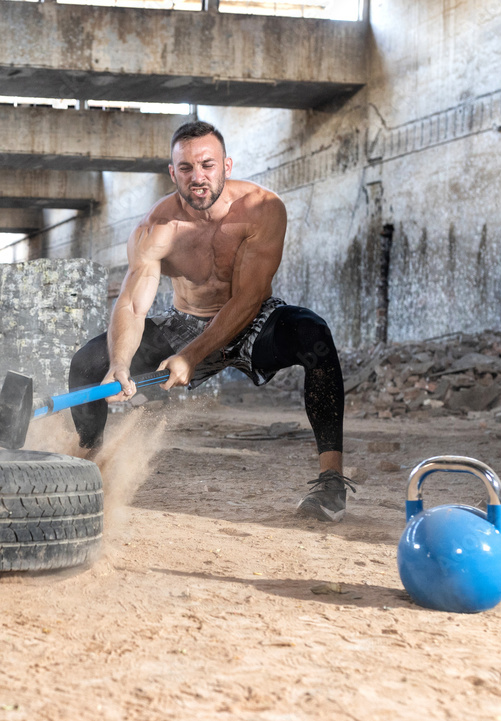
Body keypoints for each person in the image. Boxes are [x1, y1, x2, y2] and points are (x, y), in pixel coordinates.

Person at [68, 121, 353, 522]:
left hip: (252, 319)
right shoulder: (157, 229)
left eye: (207, 165)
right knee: (87, 363)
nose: (197, 177)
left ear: (226, 165)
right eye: (186, 168)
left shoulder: (262, 209)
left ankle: (331, 482)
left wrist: (192, 356)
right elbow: (133, 306)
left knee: (314, 334)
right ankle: (85, 473)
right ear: (173, 173)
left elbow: (249, 297)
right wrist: (119, 363)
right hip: (186, 320)